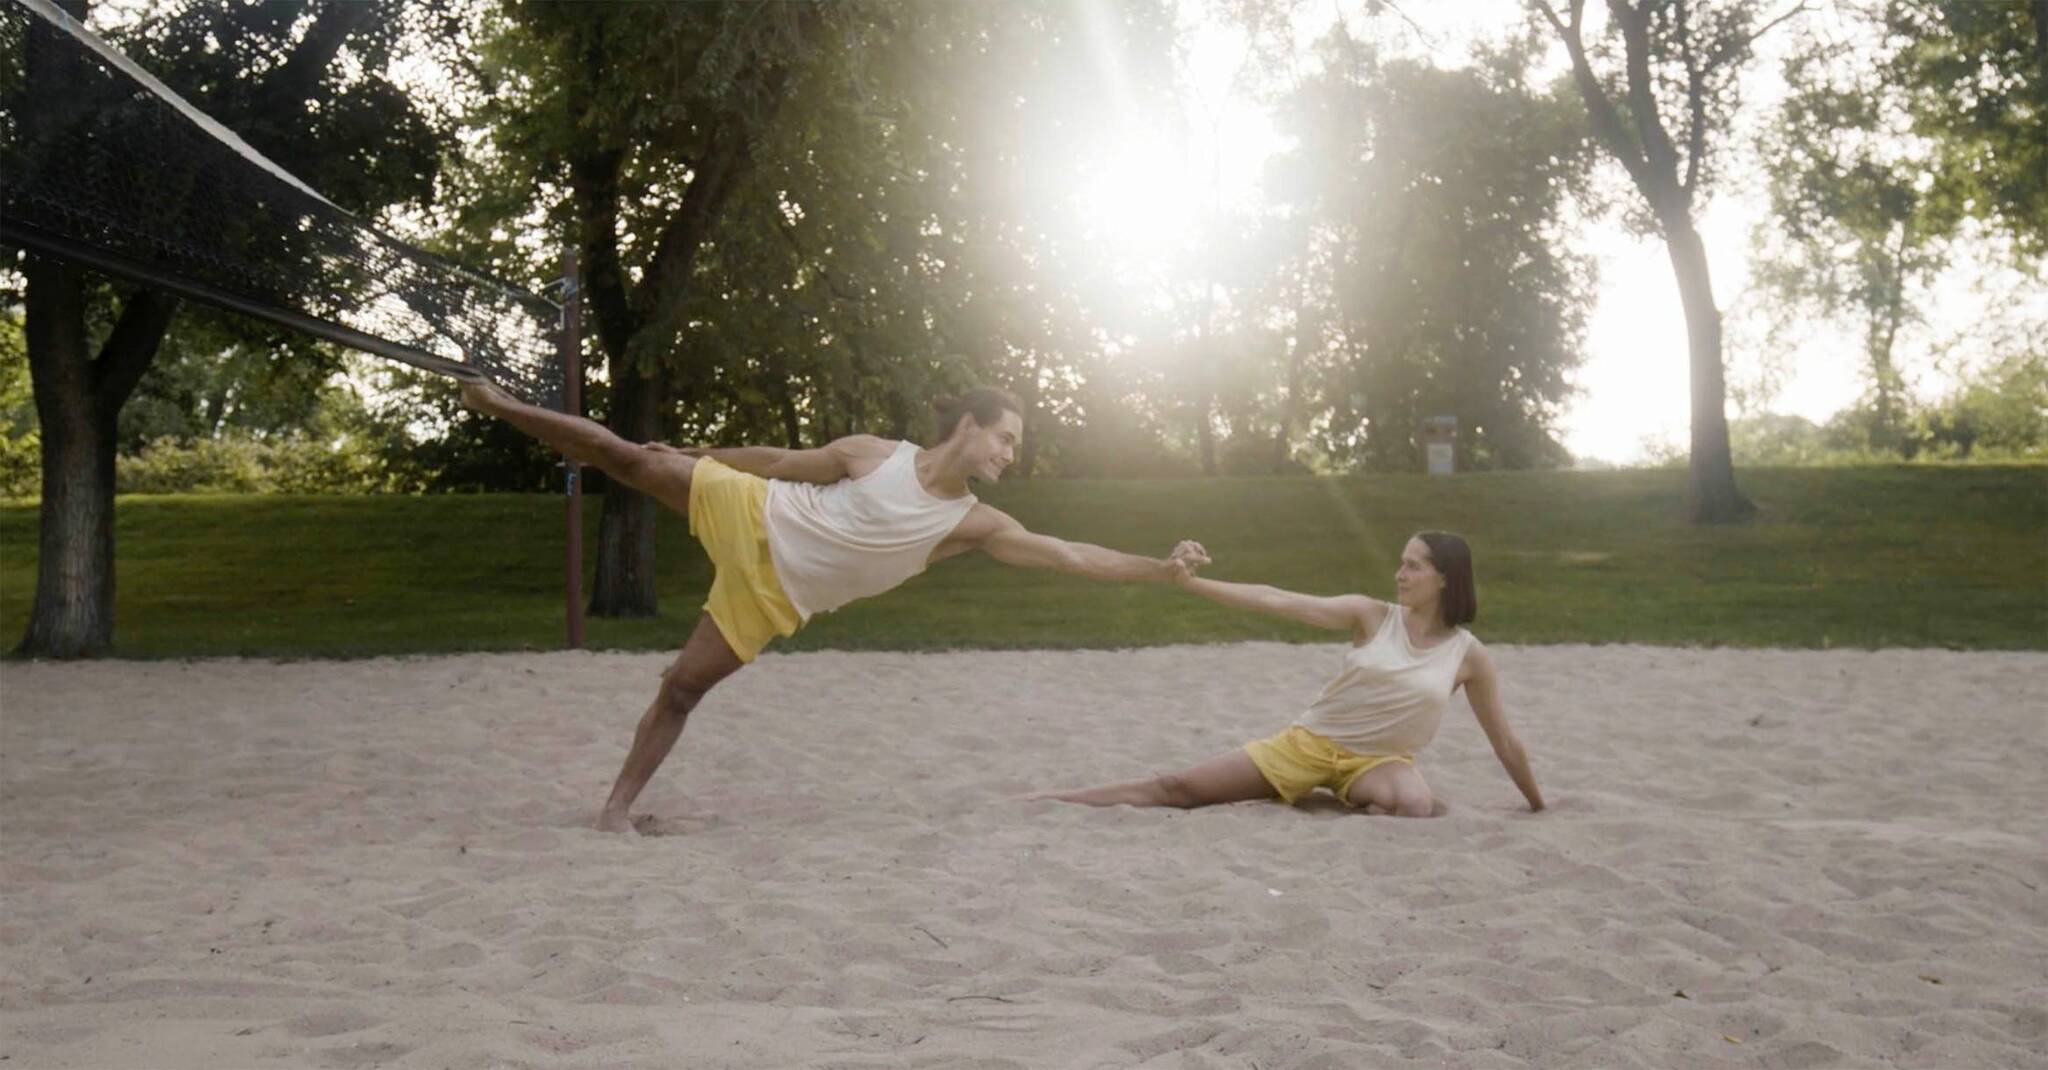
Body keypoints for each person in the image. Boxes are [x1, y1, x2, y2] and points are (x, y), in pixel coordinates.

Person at [457, 380, 1207, 832]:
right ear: (969, 426)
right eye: (1005, 438)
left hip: (772, 597)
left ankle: (616, 810)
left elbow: (1070, 554)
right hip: (757, 513)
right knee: (626, 457)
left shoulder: (973, 524)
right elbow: (779, 464)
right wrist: (690, 457)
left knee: (681, 689)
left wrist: (1158, 569)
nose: (1011, 454)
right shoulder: (875, 454)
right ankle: (499, 404)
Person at [1036, 532, 1544, 816]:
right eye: (1401, 562)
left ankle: (1335, 792)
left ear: (1445, 578)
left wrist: (1538, 805)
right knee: (1179, 789)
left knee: (1414, 804)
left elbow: (1504, 740)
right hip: (1308, 745)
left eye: (1413, 566)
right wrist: (1192, 585)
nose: (1399, 574)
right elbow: (1276, 600)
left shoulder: (1469, 656)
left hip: (1378, 762)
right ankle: (1047, 800)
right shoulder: (1371, 614)